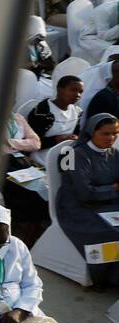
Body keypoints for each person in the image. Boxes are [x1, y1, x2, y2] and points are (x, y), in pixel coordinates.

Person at [55, 114, 119, 287]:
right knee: (112, 232)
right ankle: (103, 277)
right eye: (105, 133)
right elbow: (85, 193)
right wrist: (113, 189)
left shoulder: (114, 153)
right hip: (77, 207)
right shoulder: (78, 155)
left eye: (115, 133)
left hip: (106, 203)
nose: (111, 138)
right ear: (92, 132)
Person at [25, 75, 83, 154]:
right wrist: (57, 139)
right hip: (42, 156)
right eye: (73, 90)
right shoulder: (43, 112)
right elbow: (30, 143)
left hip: (65, 156)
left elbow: (76, 134)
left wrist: (75, 138)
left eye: (80, 92)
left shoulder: (77, 111)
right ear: (59, 90)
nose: (78, 95)